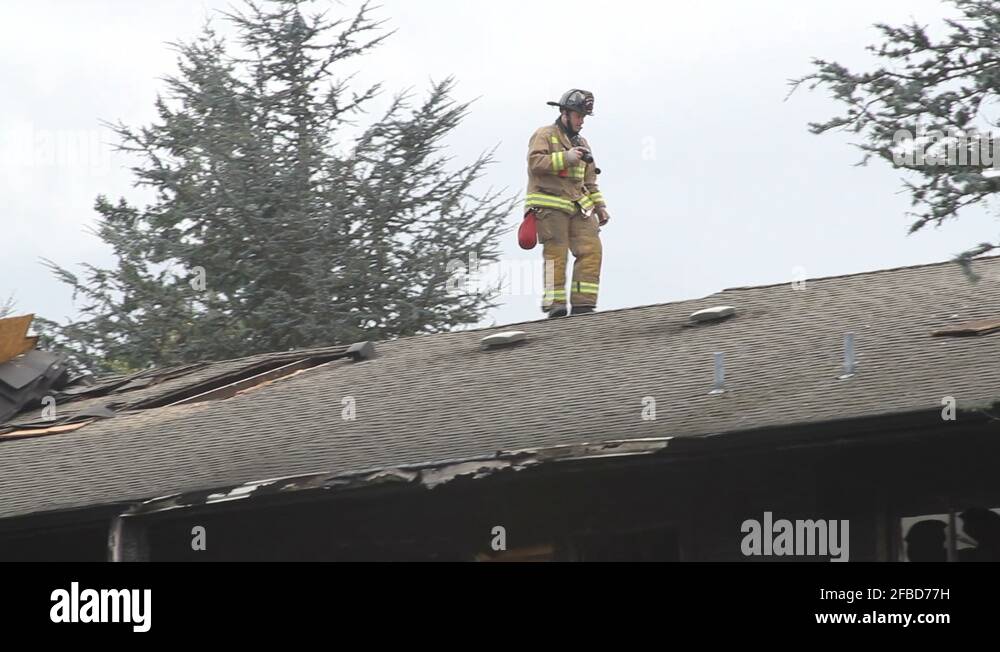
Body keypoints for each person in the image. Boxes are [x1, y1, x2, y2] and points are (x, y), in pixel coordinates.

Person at [525, 89, 611, 318]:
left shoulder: (582, 142)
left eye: (584, 117)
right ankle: (556, 304)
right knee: (557, 252)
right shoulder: (545, 134)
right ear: (565, 113)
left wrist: (600, 206)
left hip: (578, 206)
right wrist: (565, 157)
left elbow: (590, 180)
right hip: (550, 205)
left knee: (592, 249)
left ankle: (584, 303)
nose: (581, 122)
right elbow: (535, 163)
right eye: (578, 116)